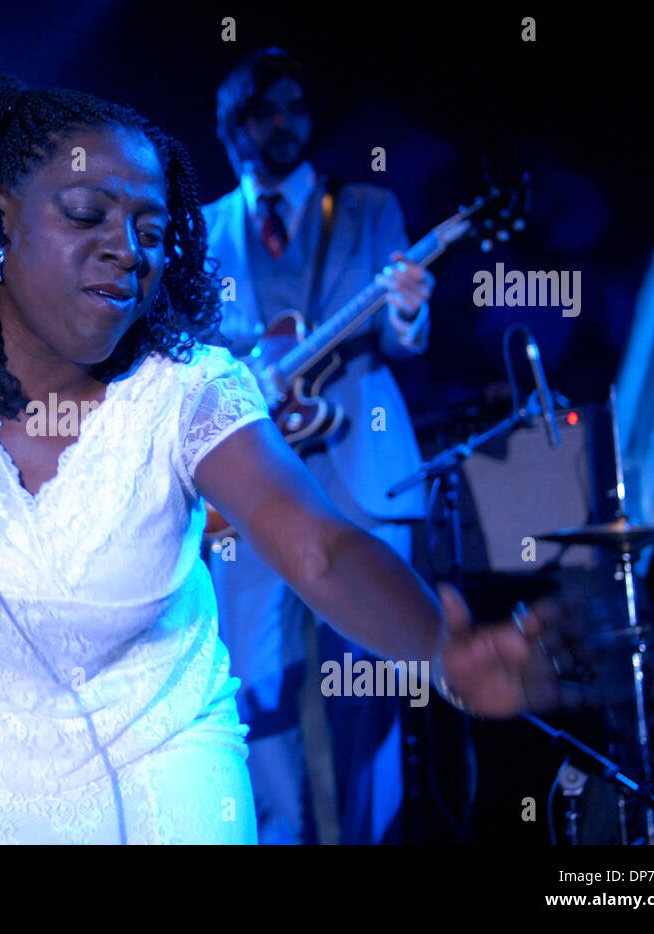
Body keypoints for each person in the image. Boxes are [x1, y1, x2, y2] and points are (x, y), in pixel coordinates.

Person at [0, 75, 572, 845]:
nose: (127, 251)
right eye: (88, 215)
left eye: (153, 230)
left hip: (163, 787)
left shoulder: (188, 385)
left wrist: (442, 653)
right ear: (0, 223)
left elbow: (317, 545)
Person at [203, 48, 435, 844]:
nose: (286, 124)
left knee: (374, 675)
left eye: (298, 107)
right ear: (236, 125)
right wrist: (245, 371)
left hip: (364, 473)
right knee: (252, 684)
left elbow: (406, 337)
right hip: (247, 482)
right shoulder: (202, 231)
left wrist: (406, 310)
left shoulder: (368, 210)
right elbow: (187, 358)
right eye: (268, 109)